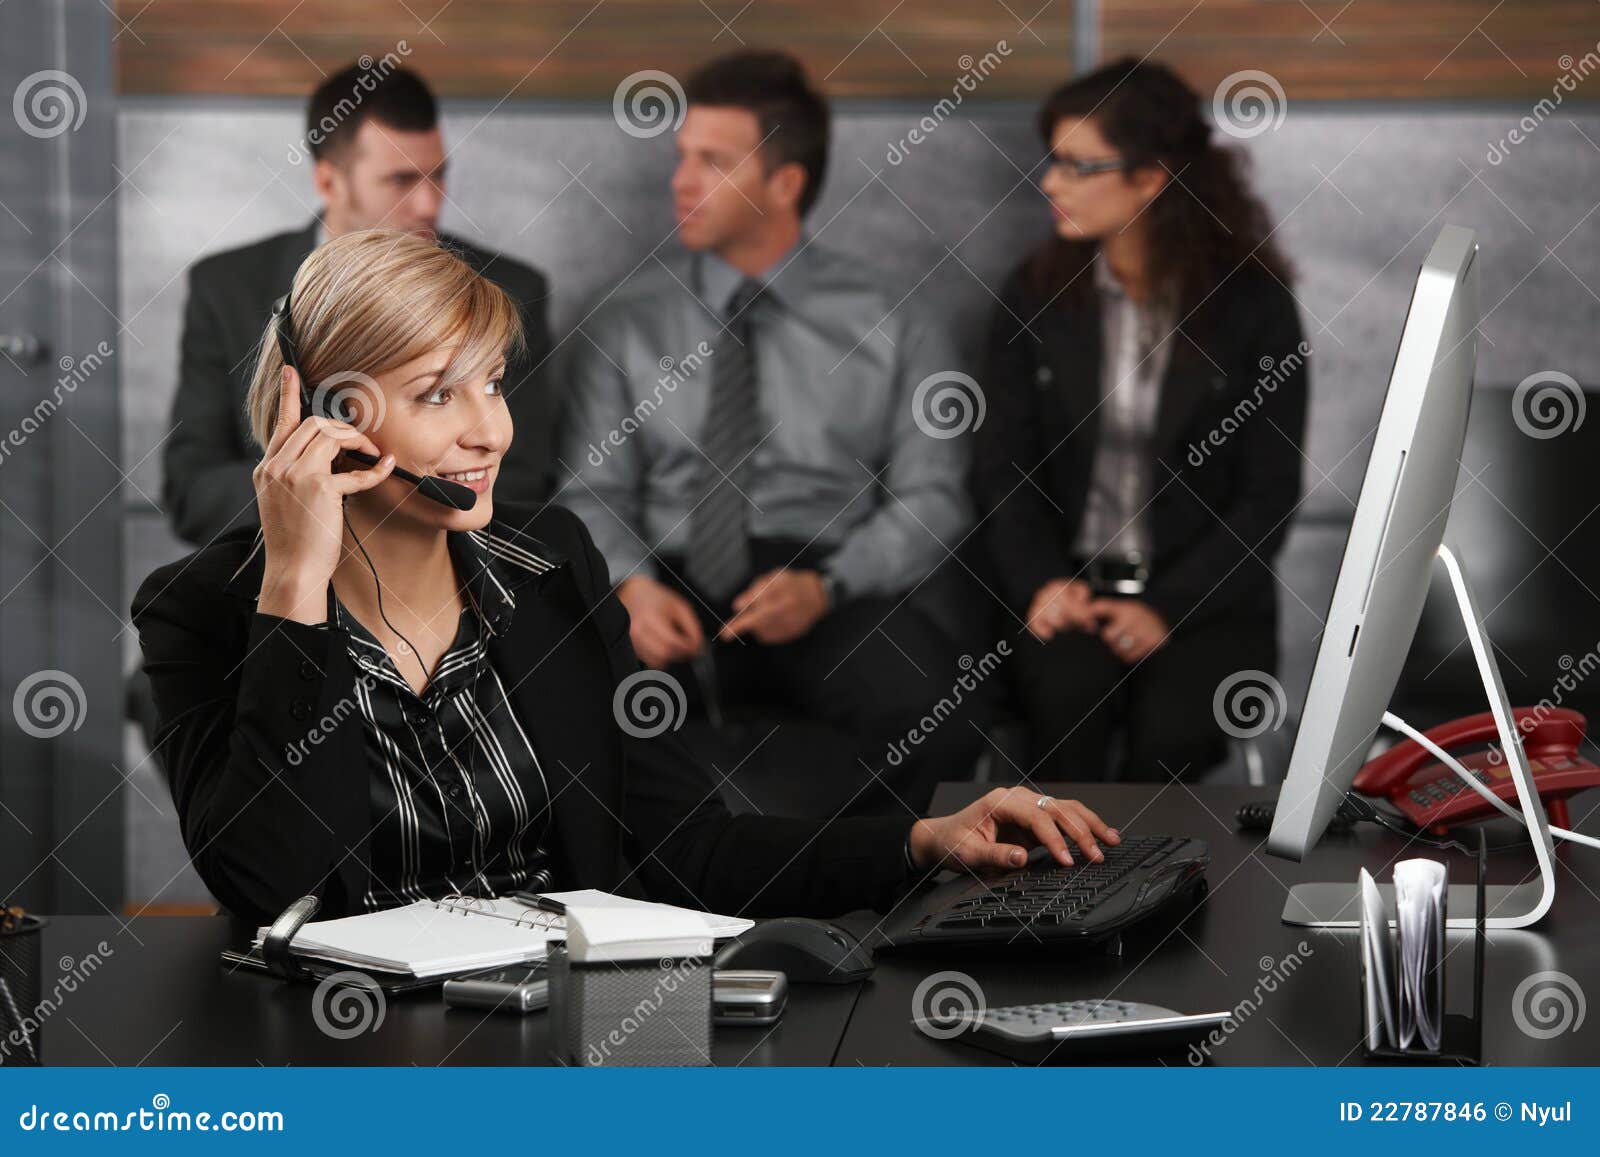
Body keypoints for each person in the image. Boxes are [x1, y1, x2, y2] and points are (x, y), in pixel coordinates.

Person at [131, 230, 1117, 926]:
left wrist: (920, 841)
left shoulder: (547, 567)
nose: (490, 430)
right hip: (349, 1051)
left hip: (556, 1033)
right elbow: (267, 882)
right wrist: (297, 583)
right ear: (325, 411)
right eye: (439, 393)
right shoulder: (206, 612)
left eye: (494, 381)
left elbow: (683, 844)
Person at [559, 51, 982, 817]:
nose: (681, 181)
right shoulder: (624, 321)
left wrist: (830, 585)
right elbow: (591, 491)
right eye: (682, 156)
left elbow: (934, 497)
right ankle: (670, 918)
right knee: (579, 711)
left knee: (936, 709)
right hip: (665, 578)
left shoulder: (893, 318)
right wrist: (631, 588)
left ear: (784, 183)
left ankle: (860, 895)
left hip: (824, 578)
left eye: (712, 162)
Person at [973, 59, 1309, 783]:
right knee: (1064, 717)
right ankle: (1058, 898)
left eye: (1077, 165)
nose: (1050, 184)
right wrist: (1042, 581)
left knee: (1172, 737)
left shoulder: (1254, 308)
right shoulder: (1034, 295)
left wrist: (1168, 606)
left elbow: (1269, 495)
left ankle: (1159, 898)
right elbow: (1004, 465)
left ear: (1152, 178)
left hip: (1206, 600)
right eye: (1051, 161)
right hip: (1069, 590)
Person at [162, 62, 555, 547]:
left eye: (437, 175)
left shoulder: (509, 288)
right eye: (401, 180)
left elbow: (526, 481)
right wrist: (325, 496)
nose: (429, 204)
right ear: (329, 183)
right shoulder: (226, 286)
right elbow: (192, 493)